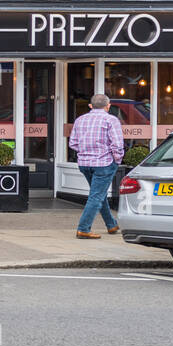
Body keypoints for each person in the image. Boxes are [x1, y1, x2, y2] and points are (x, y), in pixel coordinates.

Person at [69, 93, 124, 239]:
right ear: (108, 106)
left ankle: (111, 224)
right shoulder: (111, 120)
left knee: (99, 194)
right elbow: (117, 145)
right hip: (104, 163)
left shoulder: (80, 120)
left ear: (90, 106)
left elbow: (73, 143)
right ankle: (83, 228)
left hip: (84, 164)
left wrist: (85, 152)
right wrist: (117, 160)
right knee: (96, 196)